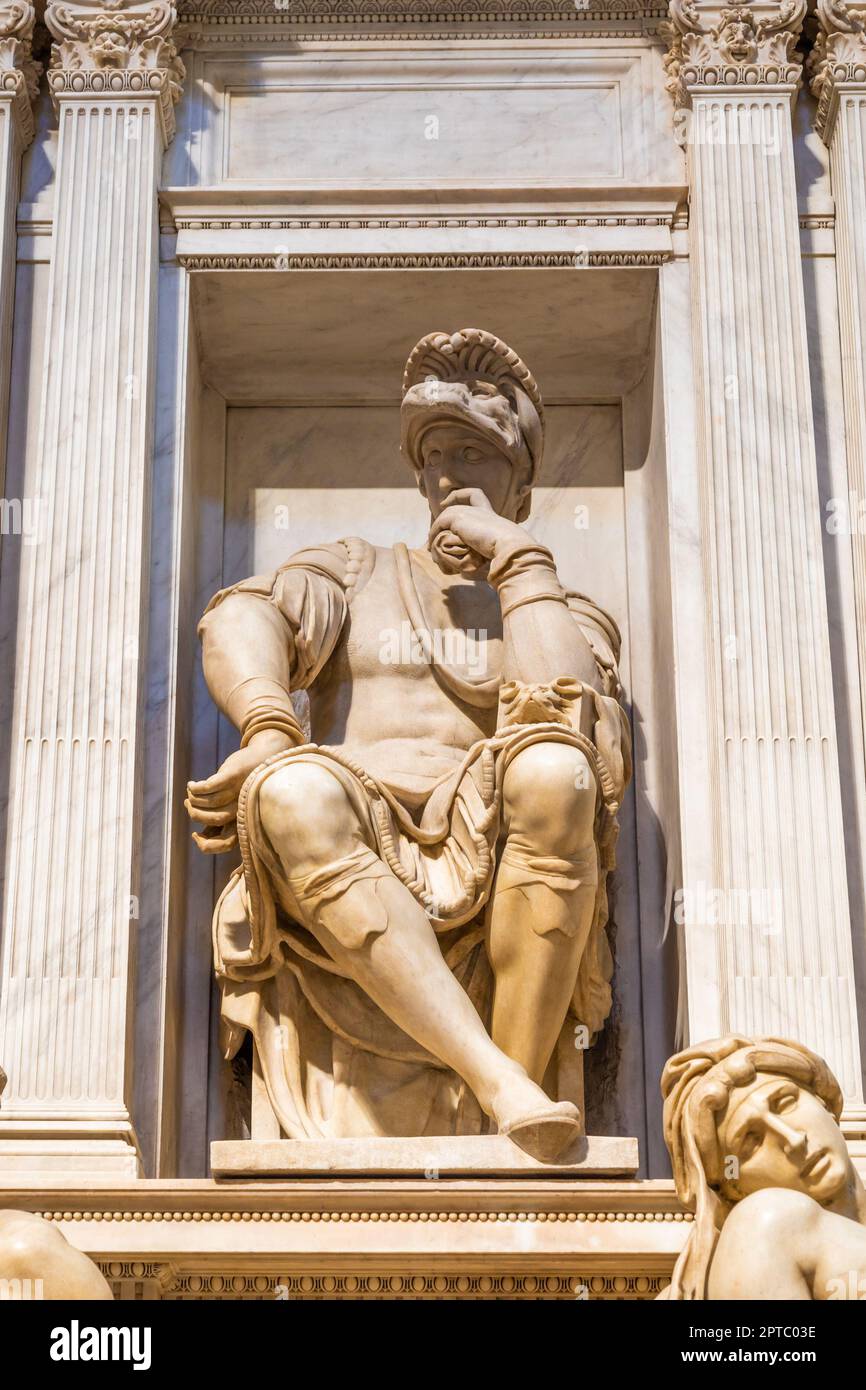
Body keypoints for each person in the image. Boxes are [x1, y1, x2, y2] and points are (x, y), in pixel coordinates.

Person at [186, 328, 631, 1159]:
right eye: (432, 454)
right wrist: (269, 724)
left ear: (522, 476)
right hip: (354, 823)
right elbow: (240, 616)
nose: (448, 476)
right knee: (288, 789)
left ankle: (510, 1094)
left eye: (473, 451)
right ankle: (503, 1086)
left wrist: (517, 561)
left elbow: (567, 711)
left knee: (557, 773)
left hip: (497, 830)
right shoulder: (357, 569)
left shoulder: (554, 604)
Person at [660, 1034, 866, 1299]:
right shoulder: (763, 1222)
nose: (793, 1140)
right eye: (751, 1142)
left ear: (823, 1102)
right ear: (733, 1191)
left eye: (786, 1103)